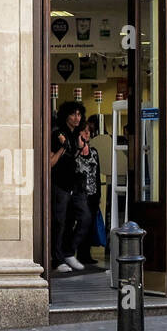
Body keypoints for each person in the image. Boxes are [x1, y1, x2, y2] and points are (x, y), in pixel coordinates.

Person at [50, 100, 90, 273]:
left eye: (79, 114)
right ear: (66, 115)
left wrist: (81, 148)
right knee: (59, 222)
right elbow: (50, 162)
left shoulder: (76, 135)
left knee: (84, 217)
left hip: (74, 184)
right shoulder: (58, 133)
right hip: (60, 183)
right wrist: (62, 148)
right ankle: (57, 259)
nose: (76, 117)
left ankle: (68, 252)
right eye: (73, 114)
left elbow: (77, 158)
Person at [74, 120, 102, 267]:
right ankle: (73, 252)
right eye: (84, 131)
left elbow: (97, 174)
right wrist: (79, 148)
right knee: (81, 223)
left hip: (92, 193)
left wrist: (99, 194)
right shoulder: (75, 152)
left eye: (89, 131)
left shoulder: (94, 152)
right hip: (79, 194)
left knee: (90, 224)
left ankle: (86, 254)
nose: (87, 133)